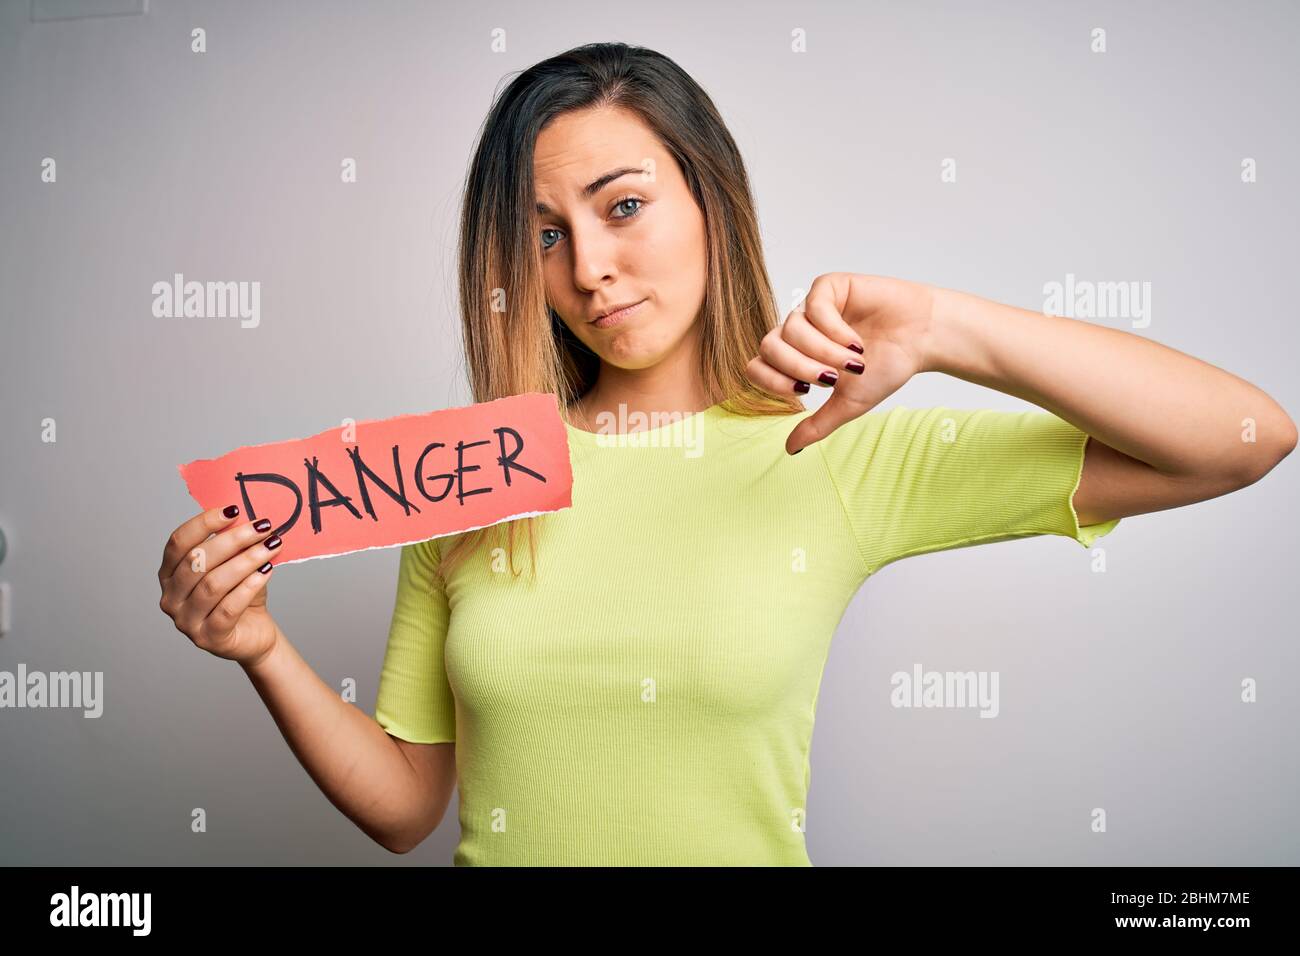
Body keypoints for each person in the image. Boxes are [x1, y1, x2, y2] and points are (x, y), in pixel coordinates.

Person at [156, 42, 1295, 866]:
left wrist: (949, 331)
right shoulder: (472, 477)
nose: (589, 268)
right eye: (545, 234)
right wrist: (259, 645)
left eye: (623, 206)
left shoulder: (829, 447)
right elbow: (406, 807)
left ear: (710, 198)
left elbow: (1244, 439)